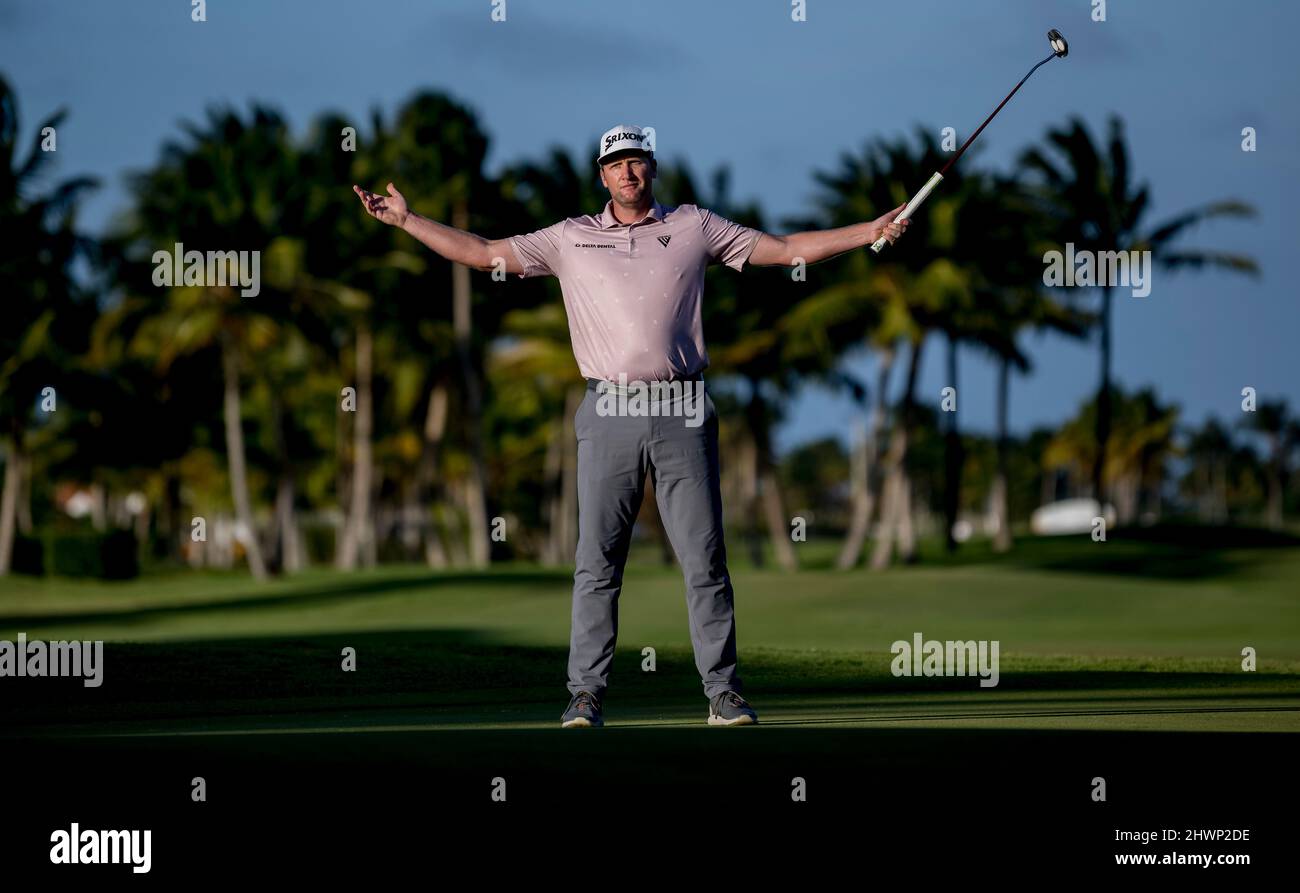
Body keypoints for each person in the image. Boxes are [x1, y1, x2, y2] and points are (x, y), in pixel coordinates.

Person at [353, 123, 908, 728]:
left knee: (704, 560)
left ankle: (723, 694)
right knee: (598, 562)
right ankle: (585, 696)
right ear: (602, 175)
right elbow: (484, 252)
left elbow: (783, 248)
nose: (628, 172)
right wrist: (408, 222)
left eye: (637, 161)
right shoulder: (569, 238)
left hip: (684, 407)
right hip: (607, 409)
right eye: (616, 164)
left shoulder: (693, 226)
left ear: (652, 167)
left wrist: (869, 231)